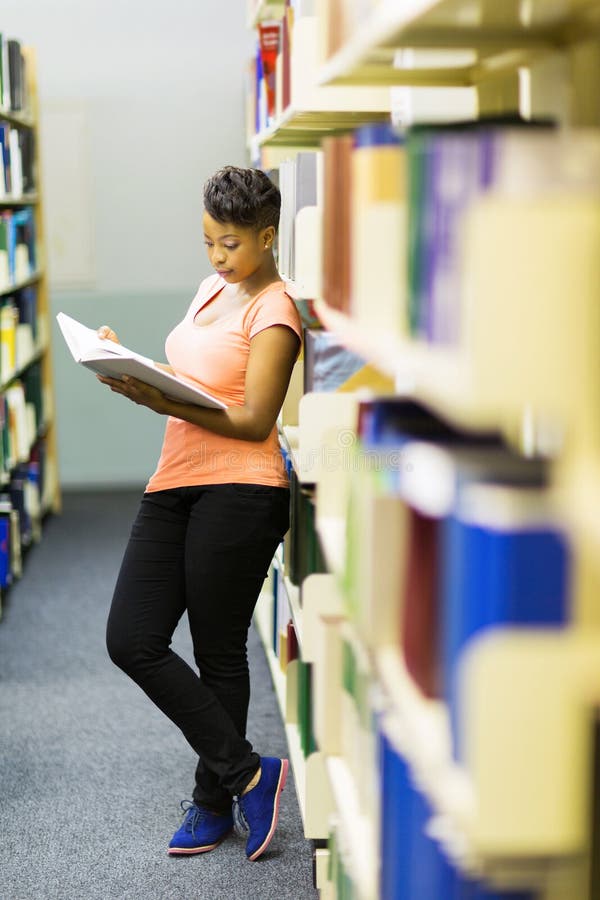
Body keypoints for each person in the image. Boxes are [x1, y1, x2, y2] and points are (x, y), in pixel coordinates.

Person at [99, 166, 302, 861]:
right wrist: (125, 362)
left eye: (230, 244)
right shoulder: (212, 288)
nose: (217, 256)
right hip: (175, 479)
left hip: (242, 489)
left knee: (218, 649)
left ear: (267, 237)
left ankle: (214, 802)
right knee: (131, 638)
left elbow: (253, 421)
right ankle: (249, 773)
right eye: (209, 241)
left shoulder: (275, 310)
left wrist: (161, 401)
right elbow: (195, 378)